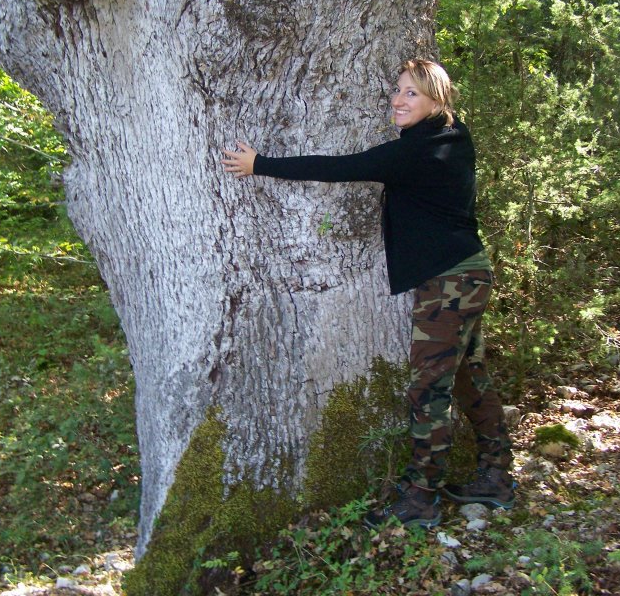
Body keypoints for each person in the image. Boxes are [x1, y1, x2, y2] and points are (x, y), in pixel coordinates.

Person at [220, 59, 514, 529]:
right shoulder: (453, 139)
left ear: (437, 99)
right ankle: (496, 478)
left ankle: (421, 499)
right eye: (397, 90)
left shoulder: (417, 151)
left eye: (411, 93)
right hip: (466, 274)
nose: (398, 100)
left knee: (428, 389)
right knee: (469, 377)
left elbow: (343, 167)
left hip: (449, 283)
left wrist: (260, 165)